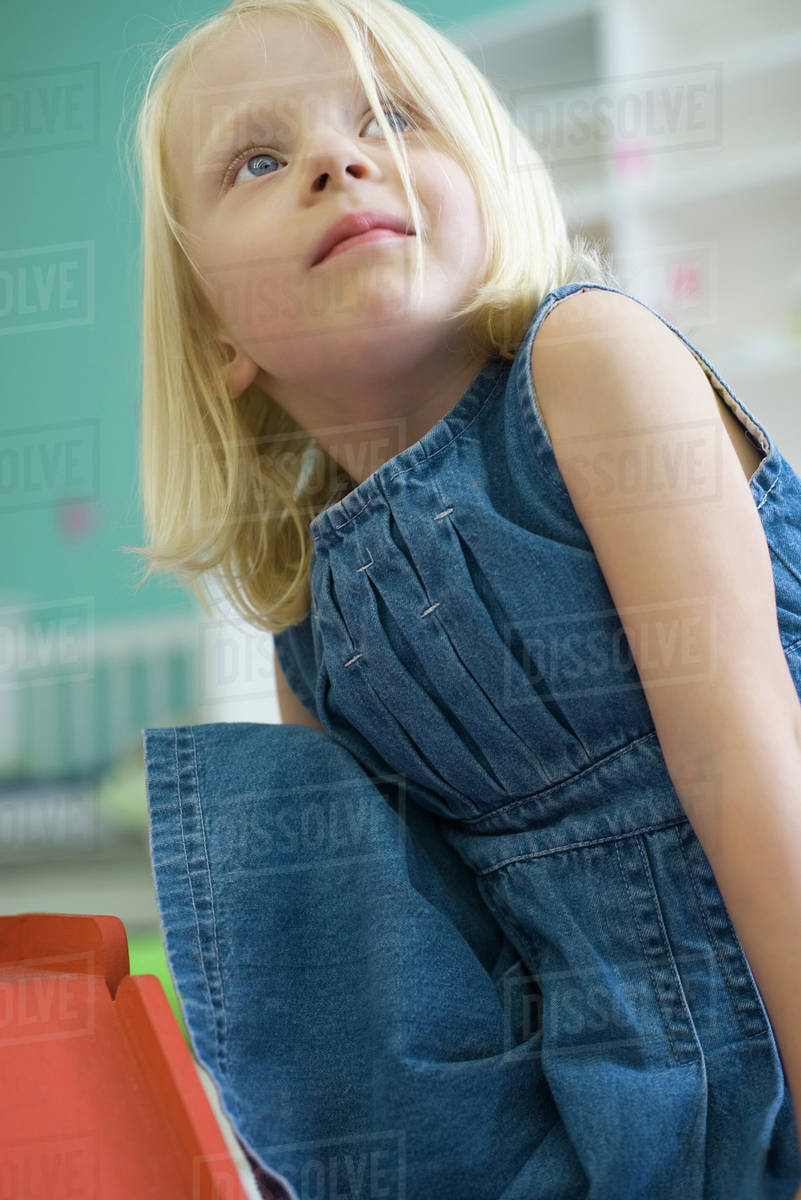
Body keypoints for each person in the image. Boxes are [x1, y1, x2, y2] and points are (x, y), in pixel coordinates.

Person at [128, 1, 801, 1196]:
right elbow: (409, 993)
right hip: (619, 1130)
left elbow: (747, 761)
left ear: (487, 185)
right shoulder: (309, 621)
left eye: (392, 117)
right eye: (260, 160)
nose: (339, 161)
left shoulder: (589, 359)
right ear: (217, 335)